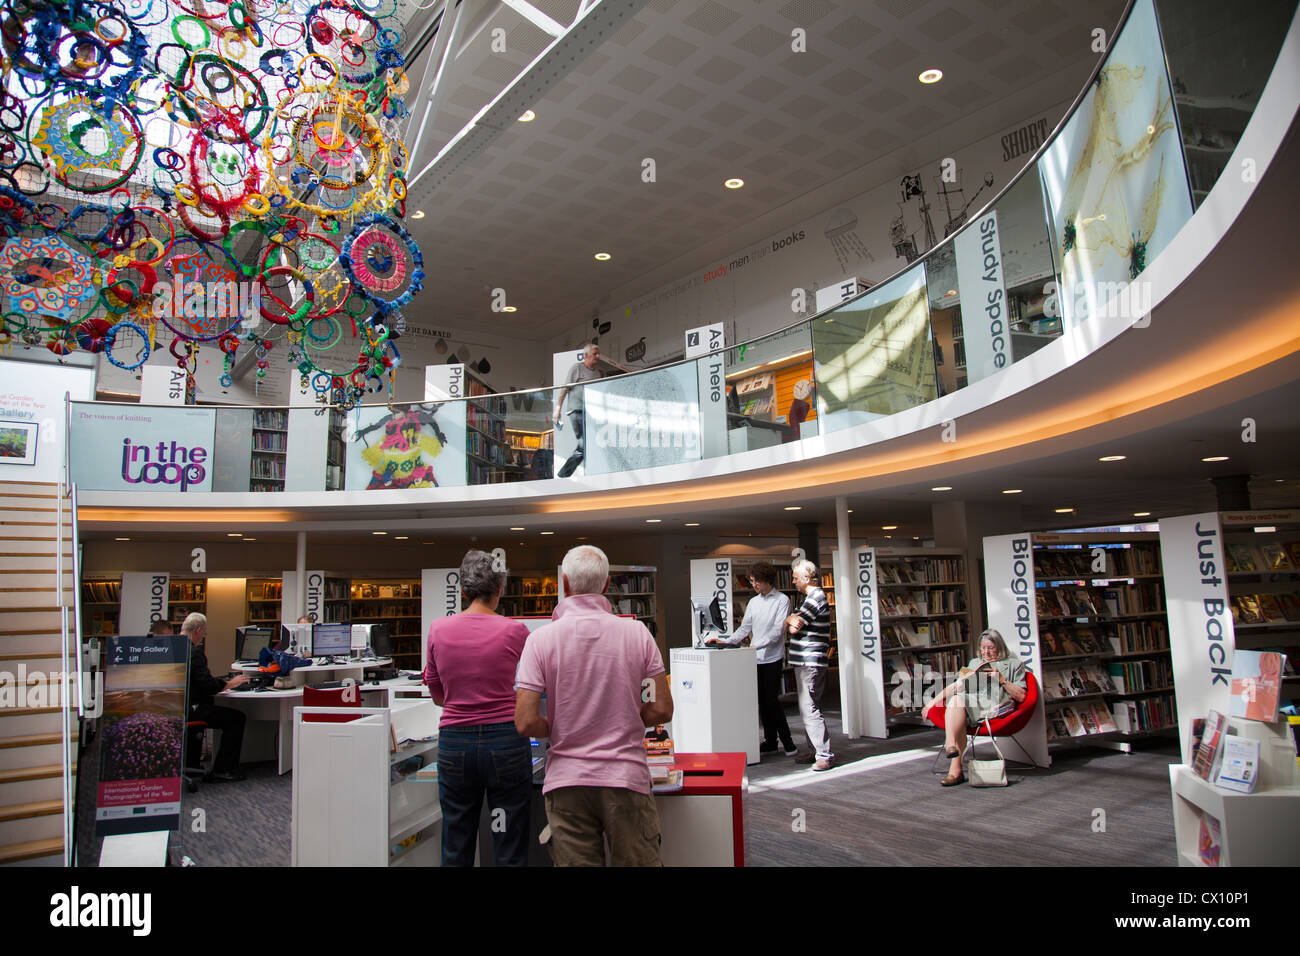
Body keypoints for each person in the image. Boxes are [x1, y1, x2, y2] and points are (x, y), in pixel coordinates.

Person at [515, 544, 673, 866]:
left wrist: (558, 727)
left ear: (565, 584)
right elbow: (662, 710)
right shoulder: (638, 633)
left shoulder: (540, 640)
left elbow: (525, 721)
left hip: (567, 780)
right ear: (606, 584)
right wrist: (627, 717)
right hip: (625, 777)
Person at [423, 549, 532, 867]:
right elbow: (529, 689)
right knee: (509, 840)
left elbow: (437, 694)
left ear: (463, 590)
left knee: (456, 841)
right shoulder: (515, 631)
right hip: (505, 743)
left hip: (455, 743)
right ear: (499, 589)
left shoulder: (438, 629)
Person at [707, 562, 796, 756]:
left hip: (772, 657)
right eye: (752, 582)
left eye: (756, 582)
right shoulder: (754, 602)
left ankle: (789, 742)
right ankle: (770, 741)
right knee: (761, 702)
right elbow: (745, 628)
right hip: (754, 658)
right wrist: (726, 642)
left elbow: (777, 631)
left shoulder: (782, 600)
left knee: (772, 701)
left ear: (767, 580)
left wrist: (758, 645)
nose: (753, 585)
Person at [933, 628, 1027, 787]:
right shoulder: (974, 663)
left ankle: (954, 767)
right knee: (958, 701)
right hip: (973, 702)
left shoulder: (1014, 665)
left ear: (1000, 647)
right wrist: (931, 702)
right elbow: (957, 686)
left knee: (959, 704)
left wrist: (1001, 679)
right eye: (983, 648)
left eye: (991, 648)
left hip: (997, 705)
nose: (986, 652)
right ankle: (953, 763)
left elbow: (1021, 696)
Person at [182, 612, 249, 783]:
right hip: (193, 709)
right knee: (236, 718)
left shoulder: (174, 648)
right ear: (197, 630)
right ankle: (222, 769)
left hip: (177, 707)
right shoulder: (194, 653)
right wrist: (229, 684)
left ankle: (193, 765)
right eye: (204, 633)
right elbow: (208, 686)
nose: (203, 637)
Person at [784, 559, 834, 771]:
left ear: (805, 579)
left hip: (810, 660)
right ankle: (815, 750)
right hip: (804, 660)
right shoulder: (807, 599)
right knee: (807, 707)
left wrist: (789, 619)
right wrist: (790, 619)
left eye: (796, 578)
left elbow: (794, 627)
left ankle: (824, 754)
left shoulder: (815, 598)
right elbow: (793, 622)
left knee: (810, 707)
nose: (793, 582)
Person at [552, 343, 602, 478]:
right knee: (583, 444)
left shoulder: (597, 373)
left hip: (591, 413)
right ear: (586, 355)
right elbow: (565, 388)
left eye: (598, 353)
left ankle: (587, 473)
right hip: (576, 410)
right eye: (594, 354)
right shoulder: (577, 368)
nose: (597, 356)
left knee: (592, 444)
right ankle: (564, 474)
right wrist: (557, 409)